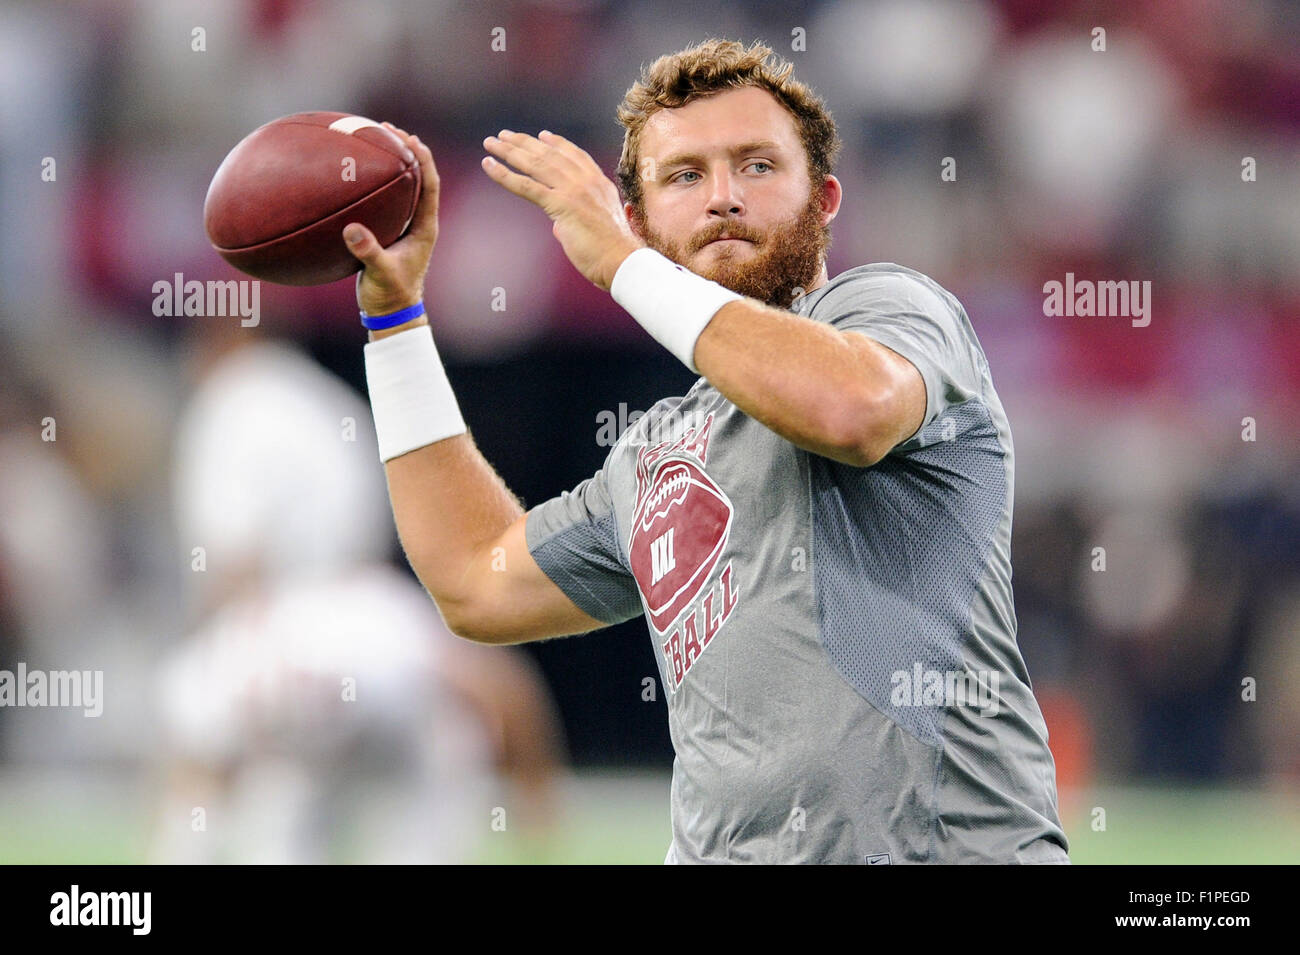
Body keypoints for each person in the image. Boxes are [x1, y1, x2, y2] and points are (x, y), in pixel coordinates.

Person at [345, 38, 1069, 864]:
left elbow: (850, 410)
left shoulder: (890, 311)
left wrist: (620, 264)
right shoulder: (652, 452)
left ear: (826, 199)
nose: (723, 198)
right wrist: (395, 321)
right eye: (685, 176)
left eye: (757, 165)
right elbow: (478, 580)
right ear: (645, 218)